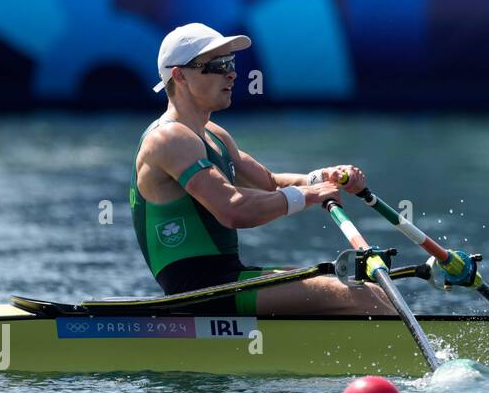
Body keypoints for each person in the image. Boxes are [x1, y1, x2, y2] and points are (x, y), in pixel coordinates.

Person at [130, 23, 394, 316]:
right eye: (217, 65)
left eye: (230, 63)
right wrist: (309, 195)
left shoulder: (213, 135)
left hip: (227, 278)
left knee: (368, 290)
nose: (231, 73)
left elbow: (268, 182)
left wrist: (322, 178)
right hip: (198, 290)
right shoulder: (168, 138)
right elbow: (233, 209)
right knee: (362, 297)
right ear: (179, 75)